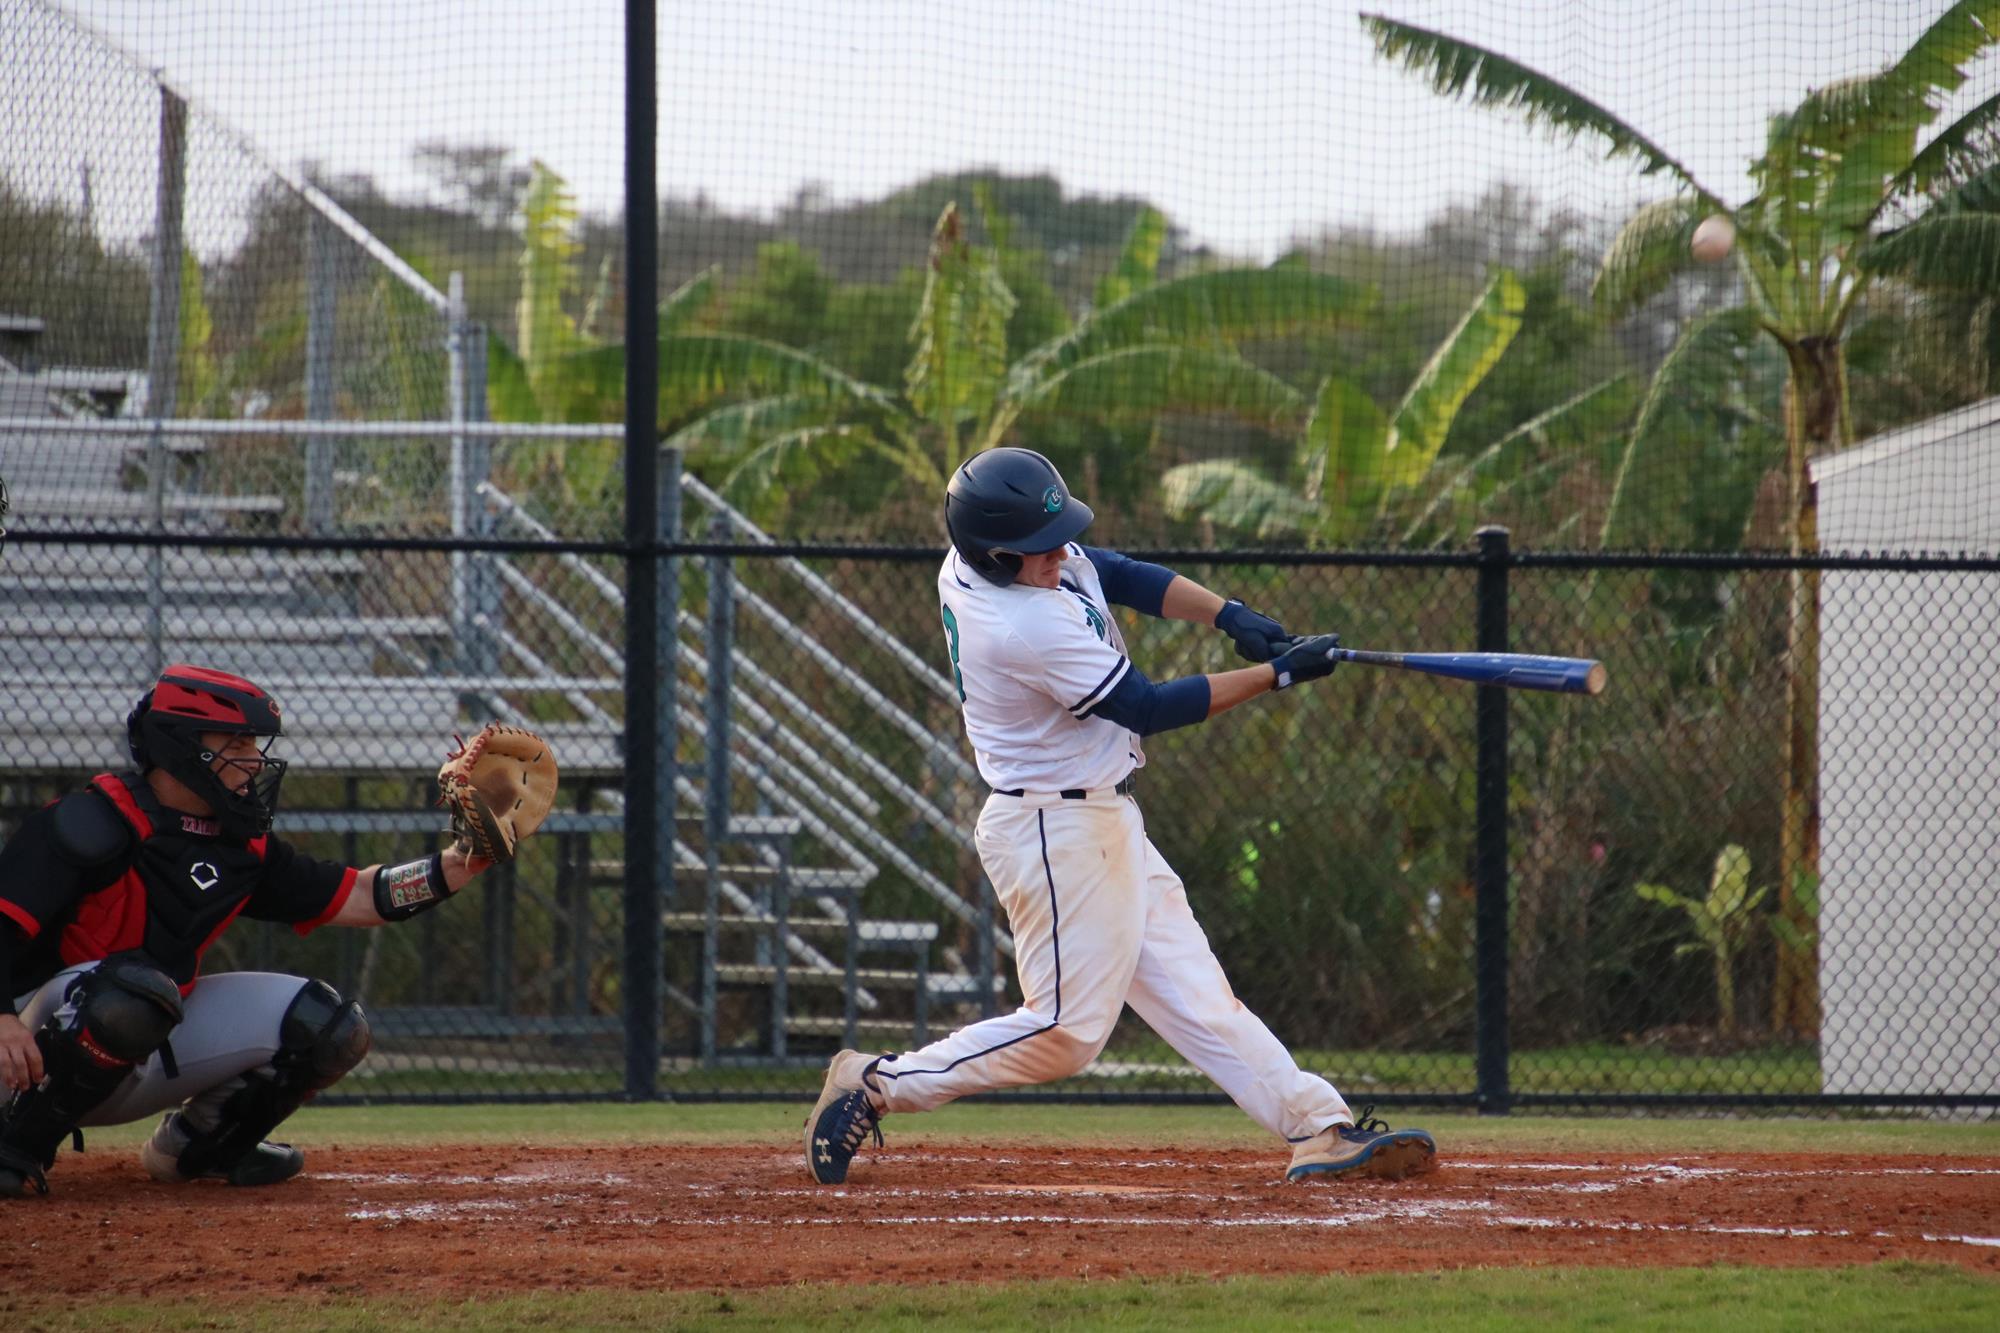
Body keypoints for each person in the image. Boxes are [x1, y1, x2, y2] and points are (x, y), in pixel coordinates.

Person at [804, 447, 1436, 1186]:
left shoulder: (1003, 556)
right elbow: (1144, 705)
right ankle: (875, 1081)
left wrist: (1228, 615)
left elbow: (1114, 569)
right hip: (1052, 832)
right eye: (1037, 549)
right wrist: (1276, 673)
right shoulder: (1017, 624)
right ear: (997, 556)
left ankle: (1319, 1127)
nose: (1056, 555)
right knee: (1068, 1032)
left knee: (1201, 993)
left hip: (1102, 818)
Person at [0, 664, 489, 1198]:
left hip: (134, 1037)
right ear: (181, 746)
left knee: (328, 1026)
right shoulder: (89, 822)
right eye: (235, 741)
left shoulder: (239, 845)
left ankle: (199, 1147)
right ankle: (14, 1145)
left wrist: (463, 860)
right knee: (133, 993)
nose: (254, 759)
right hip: (22, 1056)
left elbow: (362, 895)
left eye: (254, 742)